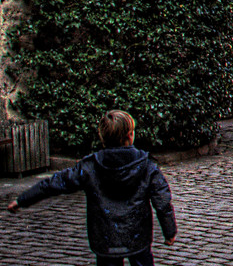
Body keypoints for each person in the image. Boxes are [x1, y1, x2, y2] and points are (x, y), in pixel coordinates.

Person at [7, 109, 176, 266]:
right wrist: (169, 231)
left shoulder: (90, 166)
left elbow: (56, 183)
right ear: (130, 135)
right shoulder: (146, 166)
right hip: (137, 236)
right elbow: (162, 202)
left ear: (103, 137)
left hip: (105, 238)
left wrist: (23, 199)